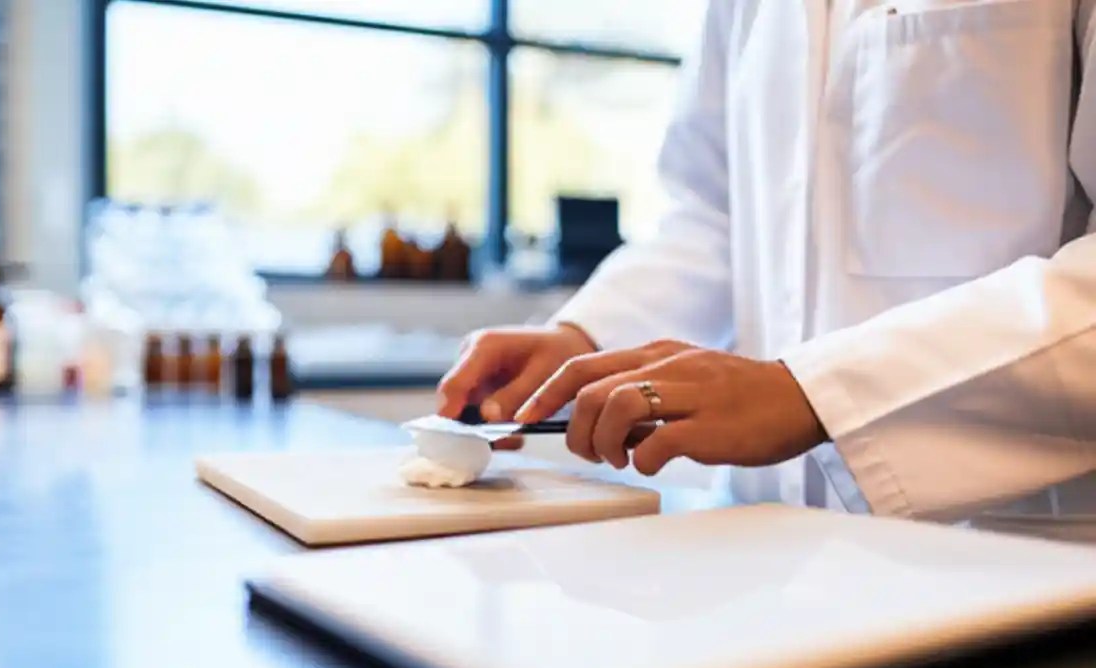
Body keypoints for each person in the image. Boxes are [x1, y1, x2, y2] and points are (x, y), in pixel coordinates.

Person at [439, 1, 1096, 540]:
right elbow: (715, 212)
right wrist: (588, 338)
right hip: (758, 539)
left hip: (1011, 544)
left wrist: (812, 393)